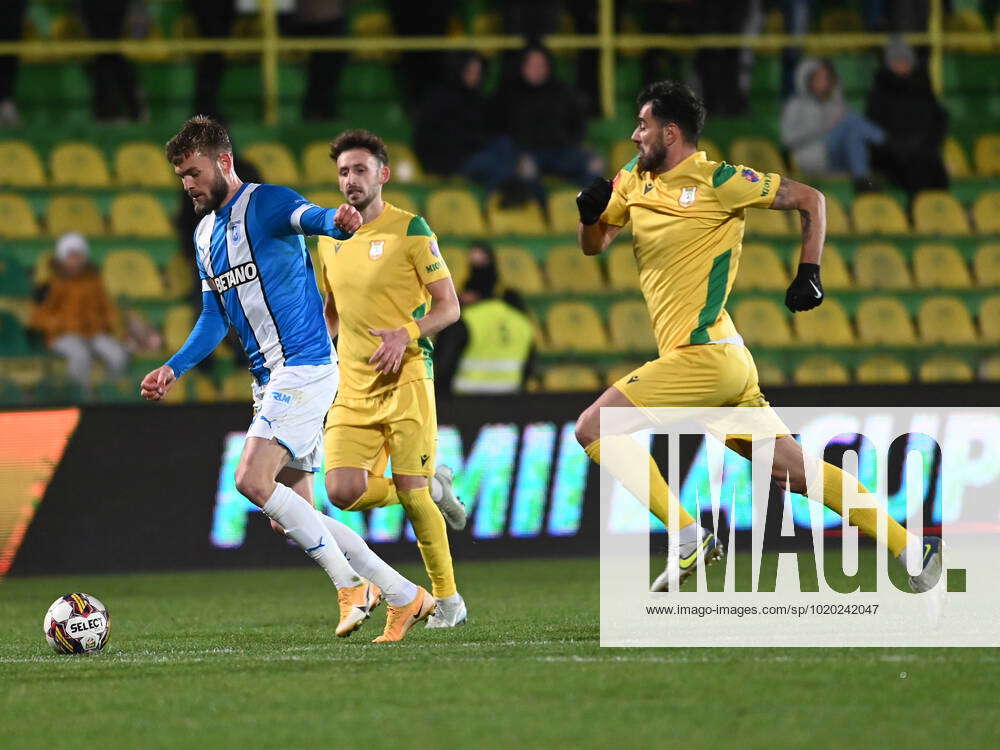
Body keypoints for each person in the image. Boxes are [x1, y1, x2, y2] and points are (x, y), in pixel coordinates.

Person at [573, 81, 942, 593]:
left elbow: (811, 199)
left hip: (704, 356)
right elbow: (594, 245)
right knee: (796, 472)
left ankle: (688, 536)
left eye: (643, 125)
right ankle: (912, 548)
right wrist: (589, 217)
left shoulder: (720, 179)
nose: (635, 135)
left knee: (593, 427)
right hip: (719, 360)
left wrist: (809, 270)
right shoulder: (634, 178)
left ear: (671, 132)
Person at [141, 116, 435, 643]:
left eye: (194, 172)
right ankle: (404, 595)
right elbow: (214, 316)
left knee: (250, 480)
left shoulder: (268, 203)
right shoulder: (204, 234)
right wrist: (173, 367)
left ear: (223, 162)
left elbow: (314, 218)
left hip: (305, 365)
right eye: (181, 176)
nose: (187, 184)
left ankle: (351, 587)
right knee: (292, 517)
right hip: (269, 379)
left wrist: (339, 222)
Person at [316, 129, 468, 628]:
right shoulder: (328, 238)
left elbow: (449, 307)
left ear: (382, 174)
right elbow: (332, 312)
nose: (351, 180)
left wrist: (405, 334)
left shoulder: (411, 230)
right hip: (352, 384)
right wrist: (308, 355)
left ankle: (448, 601)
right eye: (343, 172)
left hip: (407, 378)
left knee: (411, 494)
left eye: (360, 170)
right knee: (341, 492)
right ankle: (435, 486)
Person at [491, 43, 603, 205]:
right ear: (522, 66)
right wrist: (517, 155)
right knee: (525, 169)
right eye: (532, 65)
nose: (536, 70)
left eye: (541, 65)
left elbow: (577, 125)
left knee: (595, 164)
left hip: (561, 152)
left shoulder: (563, 92)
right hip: (527, 155)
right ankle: (544, 212)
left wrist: (576, 144)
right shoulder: (508, 95)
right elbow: (500, 133)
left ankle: (587, 212)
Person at [29, 232, 128, 396]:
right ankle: (80, 396)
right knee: (80, 356)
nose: (75, 261)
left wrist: (112, 326)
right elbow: (39, 316)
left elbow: (107, 310)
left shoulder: (94, 282)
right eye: (71, 256)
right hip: (62, 335)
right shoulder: (51, 284)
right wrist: (59, 324)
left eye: (78, 256)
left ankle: (110, 394)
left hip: (94, 333)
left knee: (117, 355)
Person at [433, 243, 535, 396]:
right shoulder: (521, 321)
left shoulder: (464, 321)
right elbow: (529, 366)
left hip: (465, 403)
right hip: (511, 401)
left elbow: (443, 367)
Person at [414, 52, 516, 194]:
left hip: (473, 154)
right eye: (470, 72)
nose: (475, 77)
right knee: (493, 166)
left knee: (505, 146)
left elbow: (487, 132)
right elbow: (441, 139)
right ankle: (502, 200)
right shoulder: (440, 100)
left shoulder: (478, 99)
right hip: (448, 162)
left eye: (478, 73)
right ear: (459, 70)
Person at [780, 58, 886, 191]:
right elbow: (787, 139)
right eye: (818, 78)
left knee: (853, 131)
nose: (823, 82)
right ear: (807, 79)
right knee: (849, 122)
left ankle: (862, 178)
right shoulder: (795, 105)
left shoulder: (834, 103)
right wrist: (823, 127)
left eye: (826, 78)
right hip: (809, 155)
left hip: (837, 153)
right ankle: (885, 142)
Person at [867, 36, 949, 196]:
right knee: (917, 169)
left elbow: (939, 120)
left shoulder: (923, 87)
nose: (901, 65)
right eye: (896, 61)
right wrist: (900, 147)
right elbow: (877, 130)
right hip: (893, 155)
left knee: (937, 172)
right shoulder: (880, 91)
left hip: (924, 151)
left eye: (904, 60)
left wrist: (928, 145)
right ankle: (918, 208)